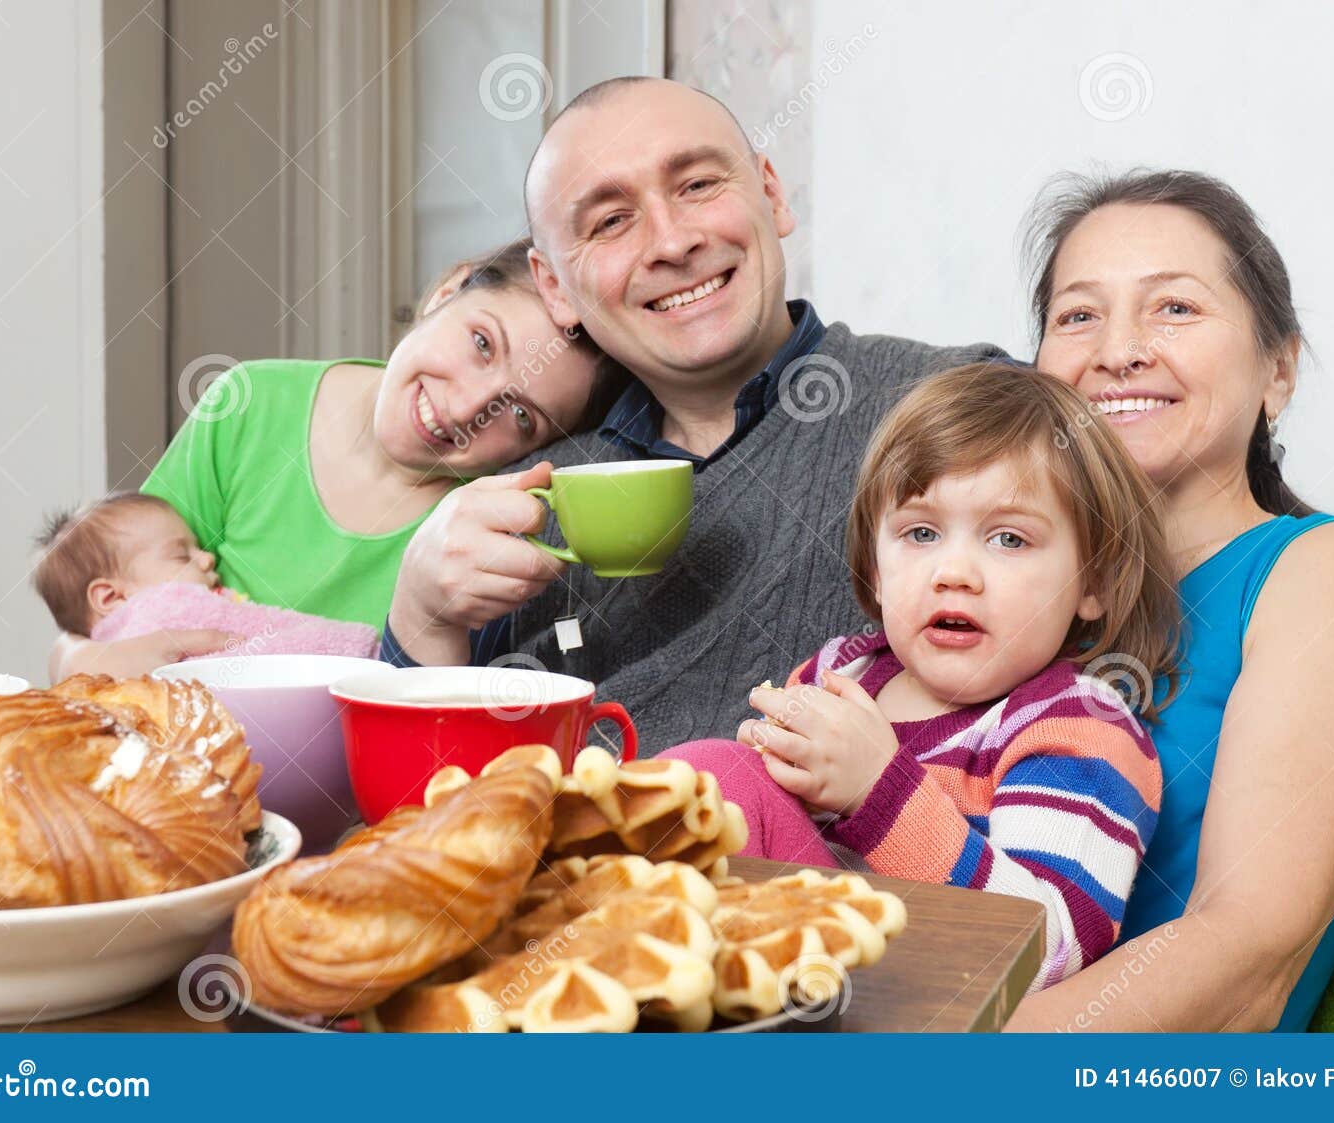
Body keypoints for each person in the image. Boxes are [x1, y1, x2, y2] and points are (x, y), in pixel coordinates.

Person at [382, 77, 1006, 744]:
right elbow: (432, 801)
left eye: (698, 186)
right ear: (554, 286)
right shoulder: (527, 505)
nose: (673, 242)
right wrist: (422, 616)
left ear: (771, 192)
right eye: (611, 221)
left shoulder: (963, 401)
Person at [1004, 169, 1334, 1031]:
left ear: (1279, 369)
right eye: (1078, 315)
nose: (1117, 350)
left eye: (1175, 309)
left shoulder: (1328, 573)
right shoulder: (998, 592)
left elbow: (1243, 962)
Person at [659, 363, 1181, 991]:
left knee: (720, 776)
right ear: (875, 567)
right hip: (761, 980)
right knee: (702, 783)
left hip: (916, 1009)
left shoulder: (1078, 726)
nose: (954, 571)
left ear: (1093, 580)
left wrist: (878, 792)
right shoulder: (838, 673)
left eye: (1009, 539)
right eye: (921, 532)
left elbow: (1044, 946)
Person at [48, 238, 626, 680]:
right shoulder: (249, 407)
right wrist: (84, 662)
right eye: (481, 343)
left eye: (520, 416)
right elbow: (97, 610)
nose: (467, 407)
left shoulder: (484, 535)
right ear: (446, 292)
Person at [32, 492, 378, 659]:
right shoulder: (168, 611)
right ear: (112, 597)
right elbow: (269, 643)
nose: (207, 559)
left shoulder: (119, 640)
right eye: (182, 554)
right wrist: (354, 646)